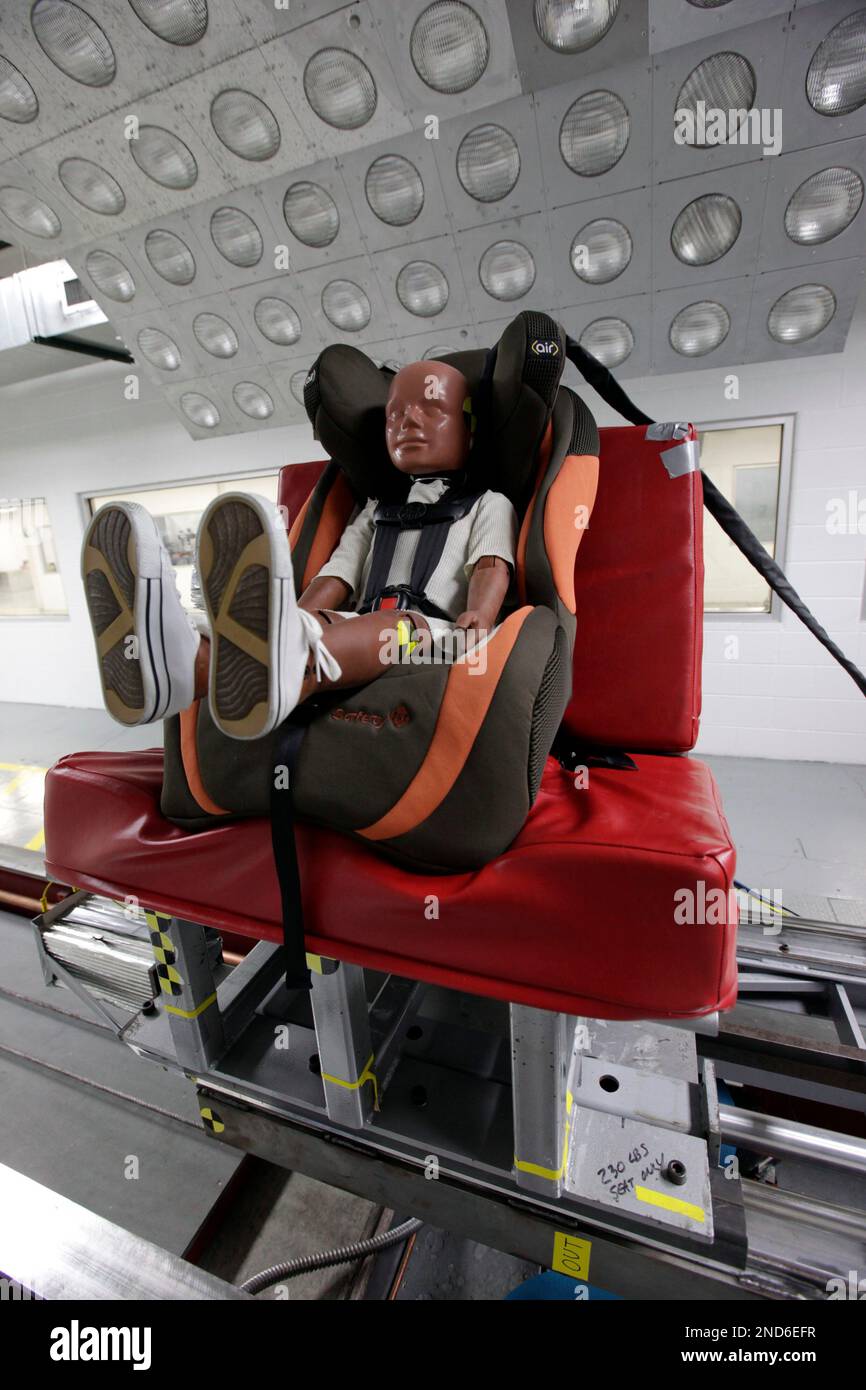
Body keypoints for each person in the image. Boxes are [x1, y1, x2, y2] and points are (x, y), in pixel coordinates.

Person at [81, 360, 518, 741]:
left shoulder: (489, 504)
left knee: (389, 625)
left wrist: (480, 613)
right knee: (328, 623)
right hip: (362, 623)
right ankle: (181, 667)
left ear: (470, 428)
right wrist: (297, 619)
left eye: (432, 409)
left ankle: (293, 671)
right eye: (395, 415)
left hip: (438, 635)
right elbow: (338, 574)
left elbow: (490, 565)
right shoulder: (375, 513)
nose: (408, 422)